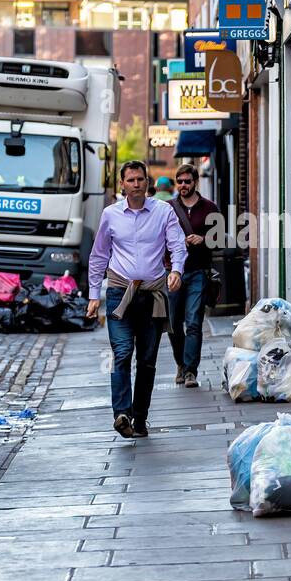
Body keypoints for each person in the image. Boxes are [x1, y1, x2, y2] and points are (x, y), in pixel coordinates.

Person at [86, 160, 186, 439]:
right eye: (130, 180)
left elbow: (177, 244)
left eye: (140, 179)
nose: (136, 184)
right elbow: (98, 256)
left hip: (153, 295)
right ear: (122, 184)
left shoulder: (163, 211)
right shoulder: (110, 215)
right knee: (121, 353)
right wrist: (94, 295)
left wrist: (177, 269)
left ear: (147, 181)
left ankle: (139, 418)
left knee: (148, 360)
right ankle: (122, 412)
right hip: (120, 294)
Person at [167, 163, 220, 388]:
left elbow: (220, 239)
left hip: (198, 272)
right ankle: (180, 363)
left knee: (194, 322)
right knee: (173, 324)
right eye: (179, 181)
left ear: (195, 182)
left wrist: (203, 239)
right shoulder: (168, 208)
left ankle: (190, 371)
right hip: (173, 273)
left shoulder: (209, 208)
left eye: (187, 181)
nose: (183, 185)